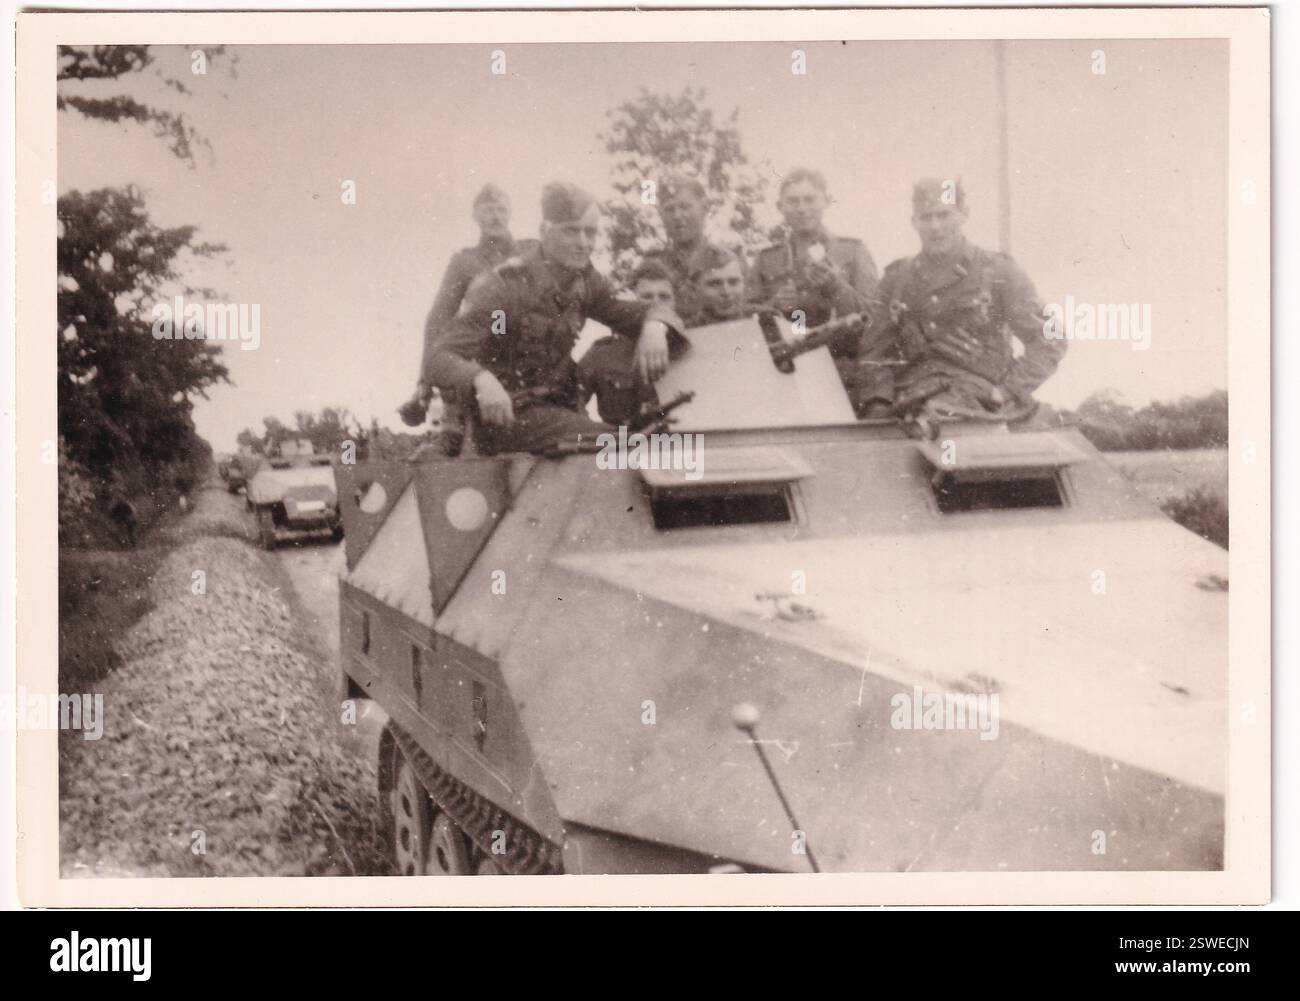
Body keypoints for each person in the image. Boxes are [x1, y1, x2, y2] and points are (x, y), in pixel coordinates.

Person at [426, 182, 684, 455]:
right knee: (631, 443)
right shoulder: (503, 286)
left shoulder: (585, 282)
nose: (584, 243)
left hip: (562, 414)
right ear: (544, 232)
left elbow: (633, 310)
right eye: (571, 231)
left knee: (639, 438)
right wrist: (480, 379)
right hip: (509, 418)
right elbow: (438, 358)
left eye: (591, 232)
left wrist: (654, 326)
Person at [857, 177, 1066, 418]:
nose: (935, 226)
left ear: (963, 215)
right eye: (926, 217)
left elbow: (1051, 338)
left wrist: (1008, 390)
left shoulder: (998, 271)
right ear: (914, 222)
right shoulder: (897, 279)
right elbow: (873, 354)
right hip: (909, 399)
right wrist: (878, 403)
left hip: (978, 402)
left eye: (944, 215)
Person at [400, 183, 537, 434]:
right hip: (486, 359)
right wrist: (424, 384)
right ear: (475, 216)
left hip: (534, 356)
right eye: (488, 210)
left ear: (510, 213)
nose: (495, 216)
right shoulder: (464, 262)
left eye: (501, 209)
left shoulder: (532, 251)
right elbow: (438, 319)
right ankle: (457, 419)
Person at [750, 168, 878, 396]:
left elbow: (873, 319)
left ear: (826, 201)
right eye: (792, 201)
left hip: (841, 369)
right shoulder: (765, 259)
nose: (801, 209)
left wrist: (837, 288)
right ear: (780, 207)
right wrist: (774, 306)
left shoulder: (853, 252)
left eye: (809, 199)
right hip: (783, 370)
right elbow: (744, 318)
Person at [642, 174, 723, 323]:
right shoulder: (651, 264)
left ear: (704, 208)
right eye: (669, 209)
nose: (677, 216)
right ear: (661, 215)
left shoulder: (727, 260)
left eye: (685, 207)